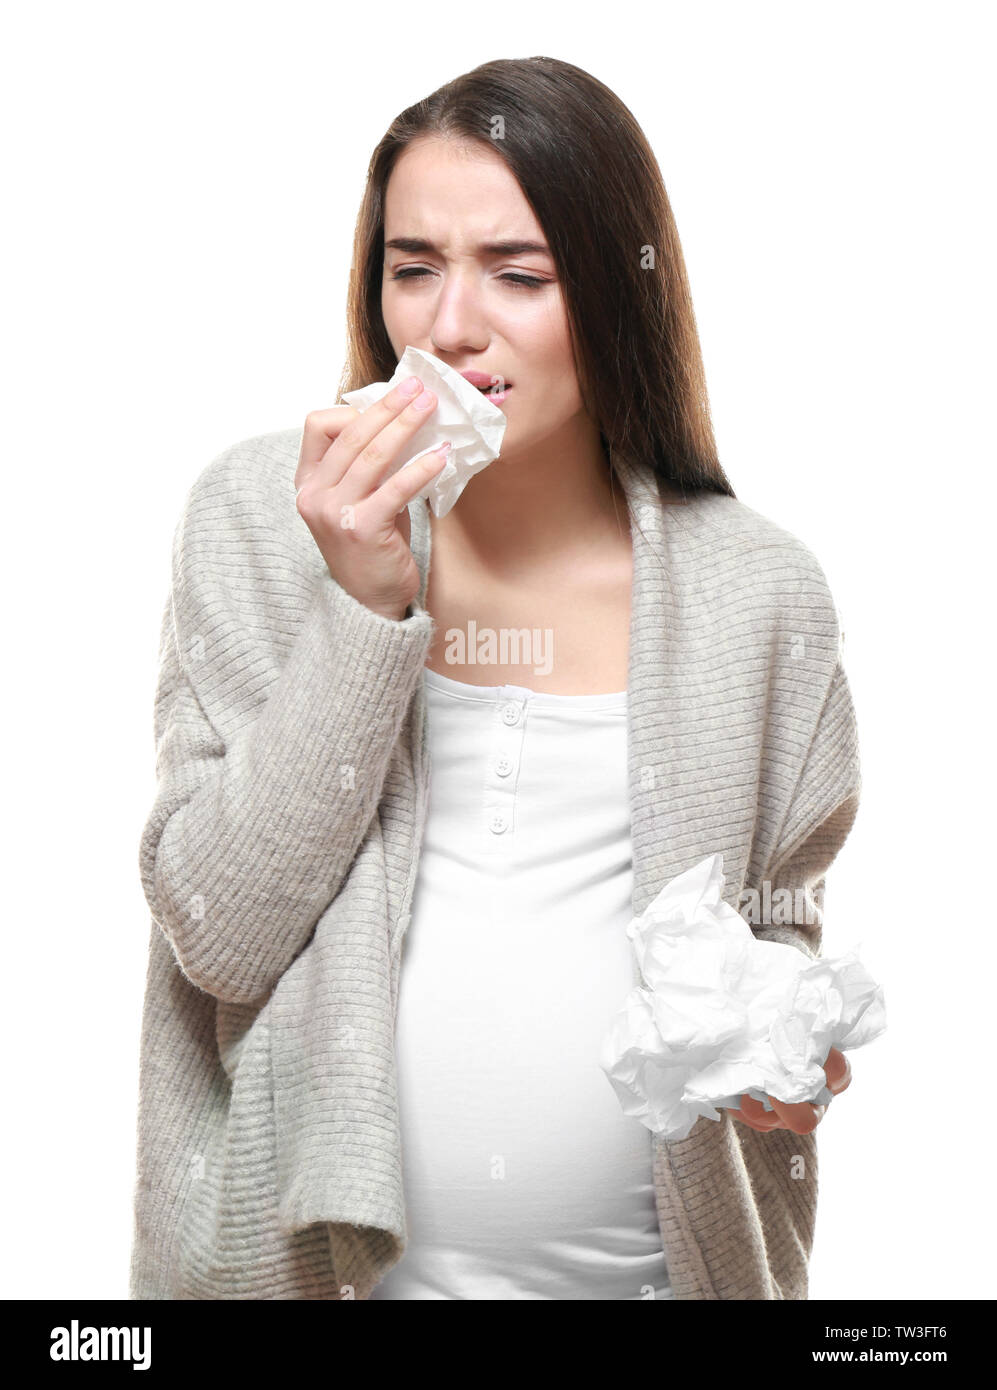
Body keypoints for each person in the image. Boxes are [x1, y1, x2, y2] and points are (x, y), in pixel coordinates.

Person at [130, 56, 861, 1301]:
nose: (449, 324)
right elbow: (218, 932)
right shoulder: (258, 520)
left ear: (617, 298)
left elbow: (771, 932)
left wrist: (787, 1041)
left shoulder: (758, 592)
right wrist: (366, 607)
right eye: (413, 267)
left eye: (518, 275)